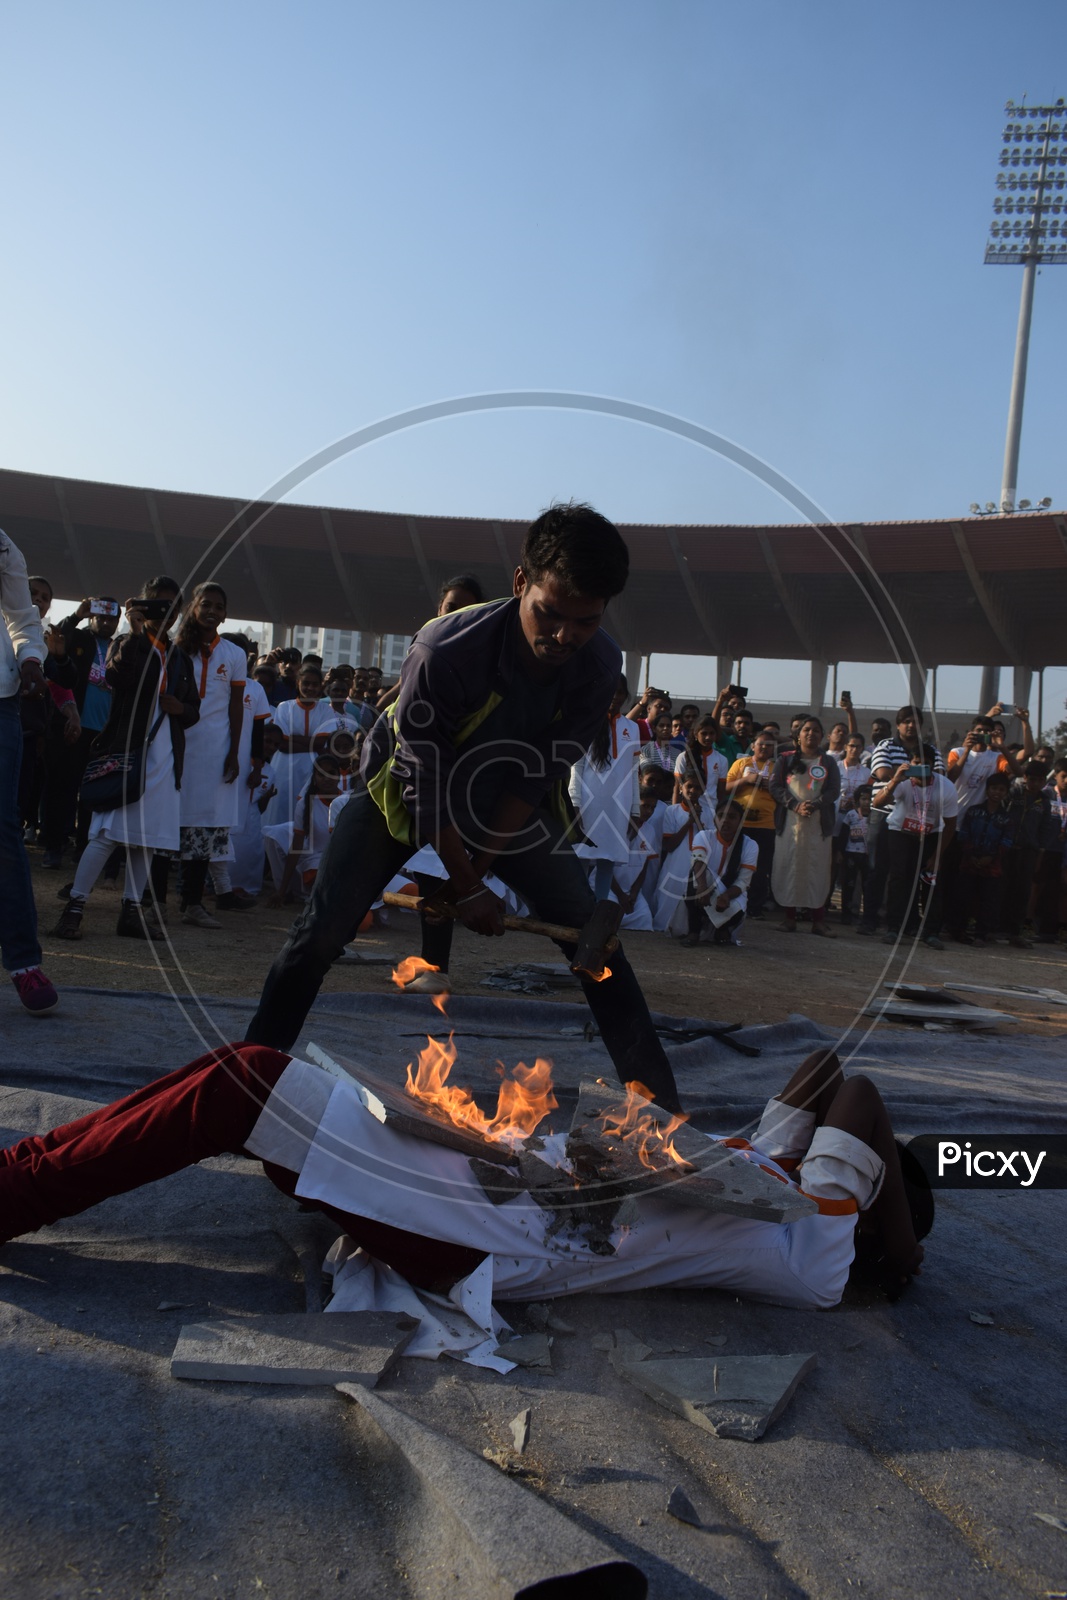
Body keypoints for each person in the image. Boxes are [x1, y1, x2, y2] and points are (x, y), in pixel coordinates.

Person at [246, 502, 682, 1111]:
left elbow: (531, 782)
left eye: (584, 622)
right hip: (404, 794)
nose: (564, 637)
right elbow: (422, 785)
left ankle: (664, 1116)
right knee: (319, 935)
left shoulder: (599, 667)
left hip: (504, 798)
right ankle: (244, 1082)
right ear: (521, 582)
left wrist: (474, 874)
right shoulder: (445, 649)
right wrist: (469, 886)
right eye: (549, 614)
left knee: (596, 944)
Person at [0, 1044, 929, 1307]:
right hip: (498, 1187)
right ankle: (17, 1173)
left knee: (245, 1087)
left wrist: (904, 1253)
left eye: (859, 1167)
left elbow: (863, 1099)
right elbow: (827, 1071)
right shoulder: (773, 1170)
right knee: (243, 1069)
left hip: (488, 1239)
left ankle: (14, 1195)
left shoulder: (817, 1252)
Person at [52, 587, 200, 942]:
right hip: (127, 752)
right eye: (158, 604)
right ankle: (74, 909)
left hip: (166, 757)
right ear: (143, 607)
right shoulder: (125, 643)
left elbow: (193, 709)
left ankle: (131, 913)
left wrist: (181, 708)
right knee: (107, 834)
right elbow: (117, 678)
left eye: (172, 607)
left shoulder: (179, 657)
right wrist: (134, 634)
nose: (165, 613)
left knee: (147, 841)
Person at [0, 532, 58, 1013]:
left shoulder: (3, 547)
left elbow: (22, 617)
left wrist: (31, 659)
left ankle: (23, 963)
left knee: (3, 832)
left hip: (1, 702)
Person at [173, 584, 246, 929]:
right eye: (206, 604)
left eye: (219, 606)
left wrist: (234, 751)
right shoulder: (176, 648)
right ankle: (151, 901)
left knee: (204, 824)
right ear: (194, 607)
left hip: (216, 751)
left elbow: (236, 706)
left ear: (225, 614)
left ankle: (192, 903)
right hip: (176, 746)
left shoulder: (234, 654)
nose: (212, 611)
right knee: (167, 820)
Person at [858, 707, 945, 936]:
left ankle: (903, 923)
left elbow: (939, 777)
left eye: (915, 722)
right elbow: (883, 773)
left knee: (907, 873)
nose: (911, 725)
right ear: (898, 725)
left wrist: (903, 771)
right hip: (883, 812)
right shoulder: (885, 746)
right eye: (906, 721)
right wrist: (919, 771)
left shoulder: (931, 750)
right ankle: (869, 919)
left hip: (916, 817)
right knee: (877, 869)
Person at [569, 673, 643, 900]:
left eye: (620, 692)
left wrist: (635, 810)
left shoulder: (633, 728)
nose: (615, 696)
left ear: (626, 695)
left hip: (618, 807)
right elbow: (576, 766)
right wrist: (575, 802)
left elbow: (633, 773)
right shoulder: (587, 722)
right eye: (611, 691)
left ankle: (599, 909)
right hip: (589, 804)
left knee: (607, 862)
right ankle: (580, 909)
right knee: (581, 859)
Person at [875, 753, 958, 949]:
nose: (920, 767)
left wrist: (937, 855)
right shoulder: (902, 781)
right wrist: (894, 781)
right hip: (900, 833)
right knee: (898, 879)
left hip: (930, 835)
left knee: (931, 880)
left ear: (933, 766)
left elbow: (950, 825)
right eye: (916, 763)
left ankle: (931, 932)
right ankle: (893, 928)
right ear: (910, 763)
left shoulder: (945, 786)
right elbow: (877, 803)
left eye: (925, 764)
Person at [769, 716, 841, 937]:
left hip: (818, 824)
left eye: (816, 730)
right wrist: (795, 805)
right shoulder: (785, 759)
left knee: (817, 869)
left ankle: (818, 921)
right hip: (790, 823)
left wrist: (815, 804)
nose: (811, 733)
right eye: (806, 730)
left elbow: (833, 790)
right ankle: (789, 918)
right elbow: (775, 786)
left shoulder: (828, 762)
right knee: (789, 866)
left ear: (822, 735)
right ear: (798, 735)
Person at [946, 772, 1014, 944]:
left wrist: (991, 857)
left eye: (1001, 789)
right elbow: (964, 834)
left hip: (992, 866)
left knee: (988, 900)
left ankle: (981, 934)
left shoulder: (1006, 818)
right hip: (969, 862)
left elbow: (1006, 841)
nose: (997, 792)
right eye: (994, 788)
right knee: (963, 897)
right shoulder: (973, 811)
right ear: (987, 789)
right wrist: (972, 855)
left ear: (1006, 793)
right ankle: (957, 930)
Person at [682, 800, 758, 947]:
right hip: (705, 886)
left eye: (732, 817)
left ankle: (722, 930)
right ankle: (694, 931)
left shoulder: (750, 845)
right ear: (714, 819)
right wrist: (702, 887)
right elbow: (698, 862)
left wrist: (727, 896)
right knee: (695, 879)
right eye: (721, 815)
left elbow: (744, 881)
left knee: (739, 905)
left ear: (740, 821)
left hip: (730, 891)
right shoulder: (704, 836)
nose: (725, 821)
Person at [654, 772, 717, 934]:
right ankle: (664, 926)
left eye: (697, 787)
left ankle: (689, 930)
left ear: (703, 790)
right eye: (689, 786)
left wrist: (698, 820)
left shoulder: (710, 813)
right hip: (675, 863)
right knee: (670, 897)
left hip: (698, 863)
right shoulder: (672, 811)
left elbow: (710, 843)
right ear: (681, 788)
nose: (693, 791)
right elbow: (669, 845)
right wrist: (689, 822)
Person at [1002, 761, 1056, 948]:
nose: (1035, 784)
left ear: (1044, 781)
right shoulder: (1014, 793)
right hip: (1006, 848)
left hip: (1029, 851)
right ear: (1025, 778)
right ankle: (992, 928)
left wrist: (1039, 857)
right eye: (1032, 779)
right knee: (1001, 887)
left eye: (1040, 780)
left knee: (1022, 891)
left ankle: (1015, 932)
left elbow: (1045, 830)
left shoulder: (1044, 801)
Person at [724, 729, 777, 917]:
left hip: (766, 825)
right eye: (761, 743)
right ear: (753, 745)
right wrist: (746, 780)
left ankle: (755, 907)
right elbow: (726, 788)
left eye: (769, 745)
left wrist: (771, 788)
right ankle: (729, 903)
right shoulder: (741, 763)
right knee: (734, 864)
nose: (764, 747)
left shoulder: (777, 768)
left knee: (761, 869)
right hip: (740, 824)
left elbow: (785, 794)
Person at [1034, 760, 1067, 942]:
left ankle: (1054, 929)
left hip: (1062, 853)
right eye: (1064, 776)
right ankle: (1028, 923)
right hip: (1044, 849)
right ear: (1056, 775)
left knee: (1058, 889)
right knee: (1036, 886)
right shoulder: (1046, 794)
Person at [673, 714, 727, 806]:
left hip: (711, 809)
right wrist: (674, 810)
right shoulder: (683, 757)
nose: (708, 737)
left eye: (711, 733)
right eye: (704, 733)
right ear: (695, 734)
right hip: (687, 808)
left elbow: (721, 792)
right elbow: (677, 788)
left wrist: (719, 812)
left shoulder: (722, 759)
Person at [839, 785, 872, 926]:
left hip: (868, 856)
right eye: (863, 799)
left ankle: (868, 916)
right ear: (858, 800)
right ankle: (846, 914)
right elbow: (843, 834)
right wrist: (840, 852)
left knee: (868, 886)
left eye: (870, 799)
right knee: (849, 884)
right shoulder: (851, 815)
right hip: (851, 854)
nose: (866, 802)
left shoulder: (875, 816)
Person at [638, 708, 677, 776]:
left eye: (668, 726)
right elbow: (647, 771)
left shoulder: (677, 752)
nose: (665, 728)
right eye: (661, 725)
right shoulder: (645, 750)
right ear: (654, 729)